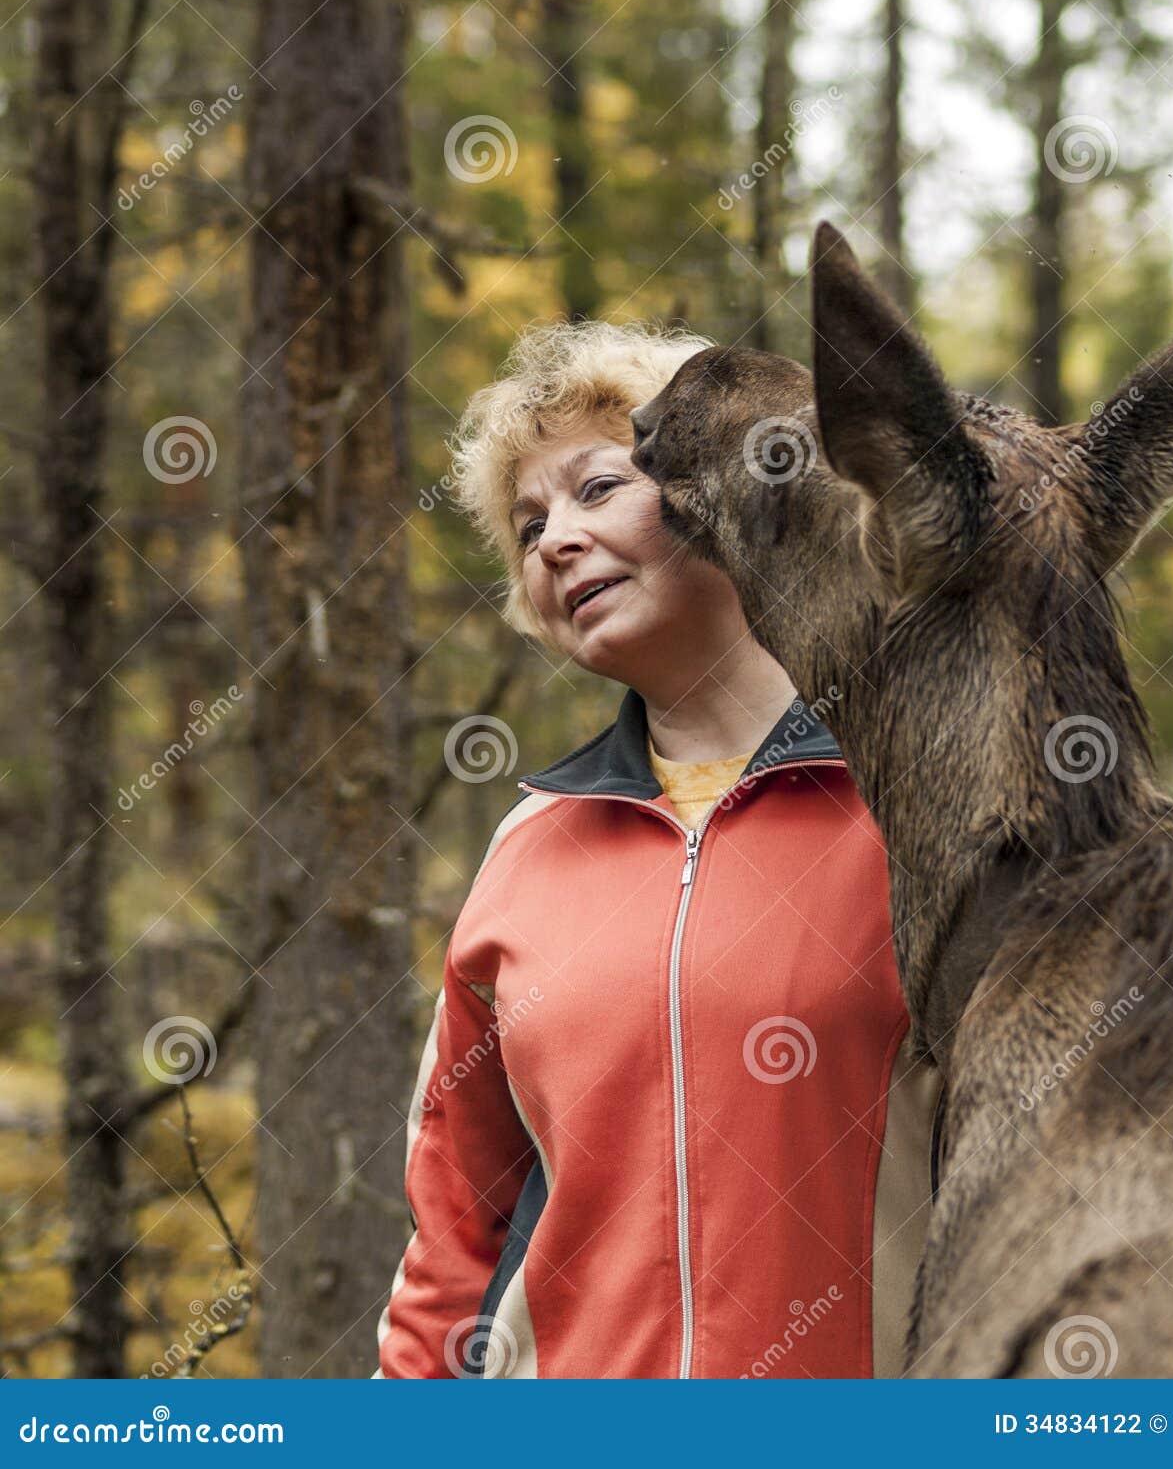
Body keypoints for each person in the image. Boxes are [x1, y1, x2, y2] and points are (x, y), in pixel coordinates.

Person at [373, 321, 941, 1379]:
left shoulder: (913, 808)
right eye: (527, 522)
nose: (552, 539)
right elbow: (457, 1226)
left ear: (727, 499)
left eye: (594, 489)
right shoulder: (527, 848)